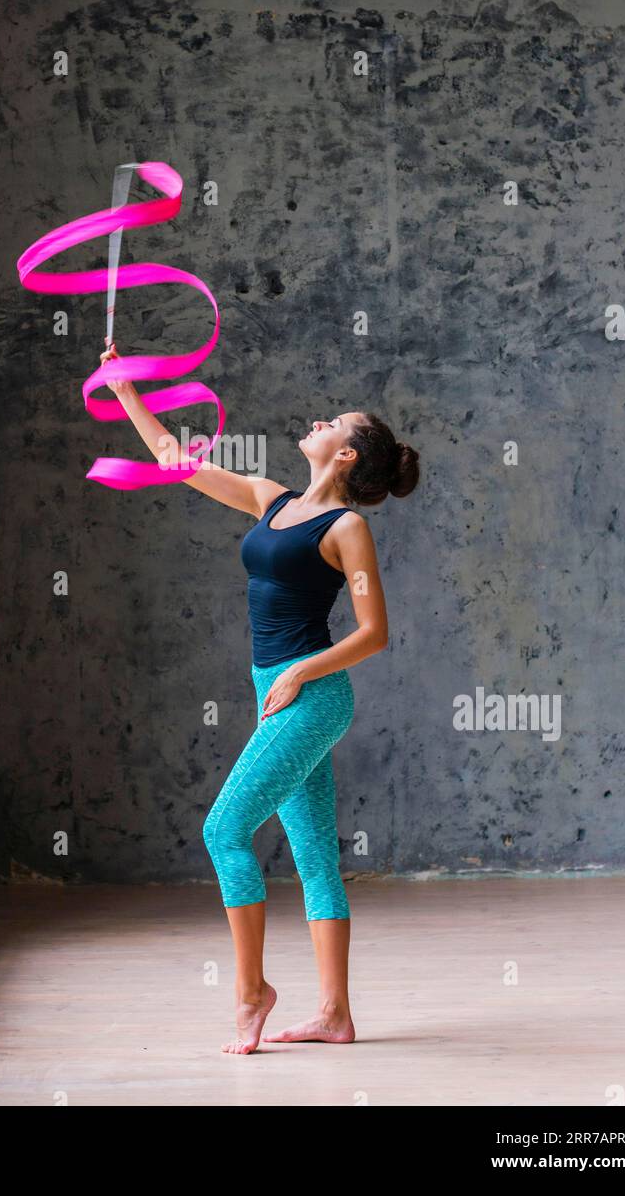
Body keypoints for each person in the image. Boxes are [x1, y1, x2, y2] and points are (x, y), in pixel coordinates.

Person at [98, 342, 420, 1053]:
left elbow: (374, 633)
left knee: (223, 830)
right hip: (275, 688)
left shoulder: (346, 528)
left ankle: (251, 990)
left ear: (346, 457)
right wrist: (126, 393)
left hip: (311, 694)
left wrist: (304, 673)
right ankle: (334, 1013)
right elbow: (178, 463)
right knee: (314, 856)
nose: (318, 420)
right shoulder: (272, 498)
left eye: (334, 421)